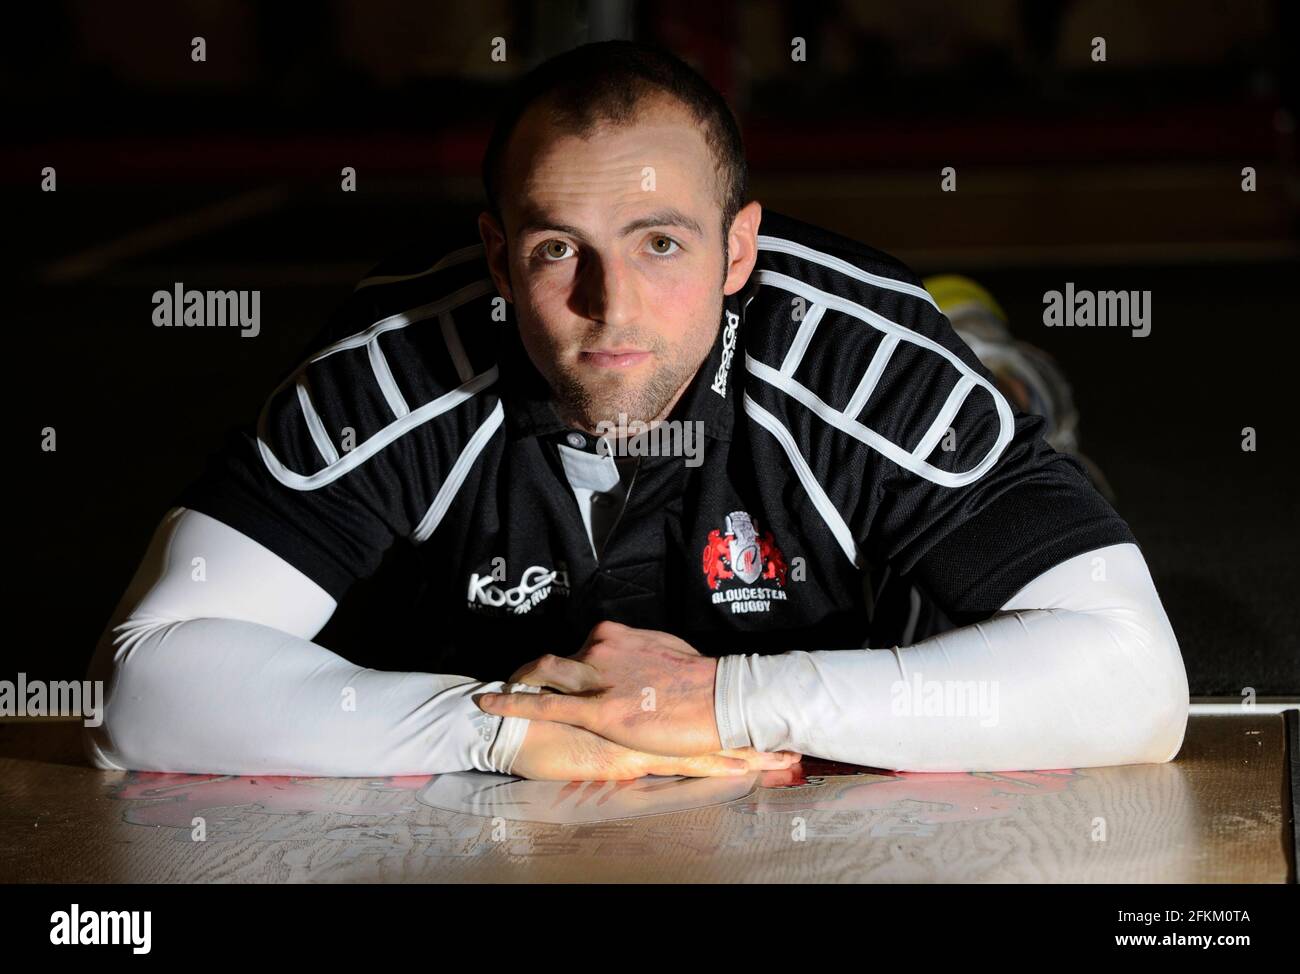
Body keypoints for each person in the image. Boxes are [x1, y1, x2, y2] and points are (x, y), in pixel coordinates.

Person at [84, 40, 1188, 780]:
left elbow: (1136, 683)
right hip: (529, 703)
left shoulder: (865, 371)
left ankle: (994, 355)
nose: (611, 305)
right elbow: (146, 674)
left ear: (738, 248)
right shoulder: (396, 370)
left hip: (892, 429)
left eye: (662, 242)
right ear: (497, 260)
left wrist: (726, 700)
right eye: (559, 247)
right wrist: (499, 734)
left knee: (997, 409)